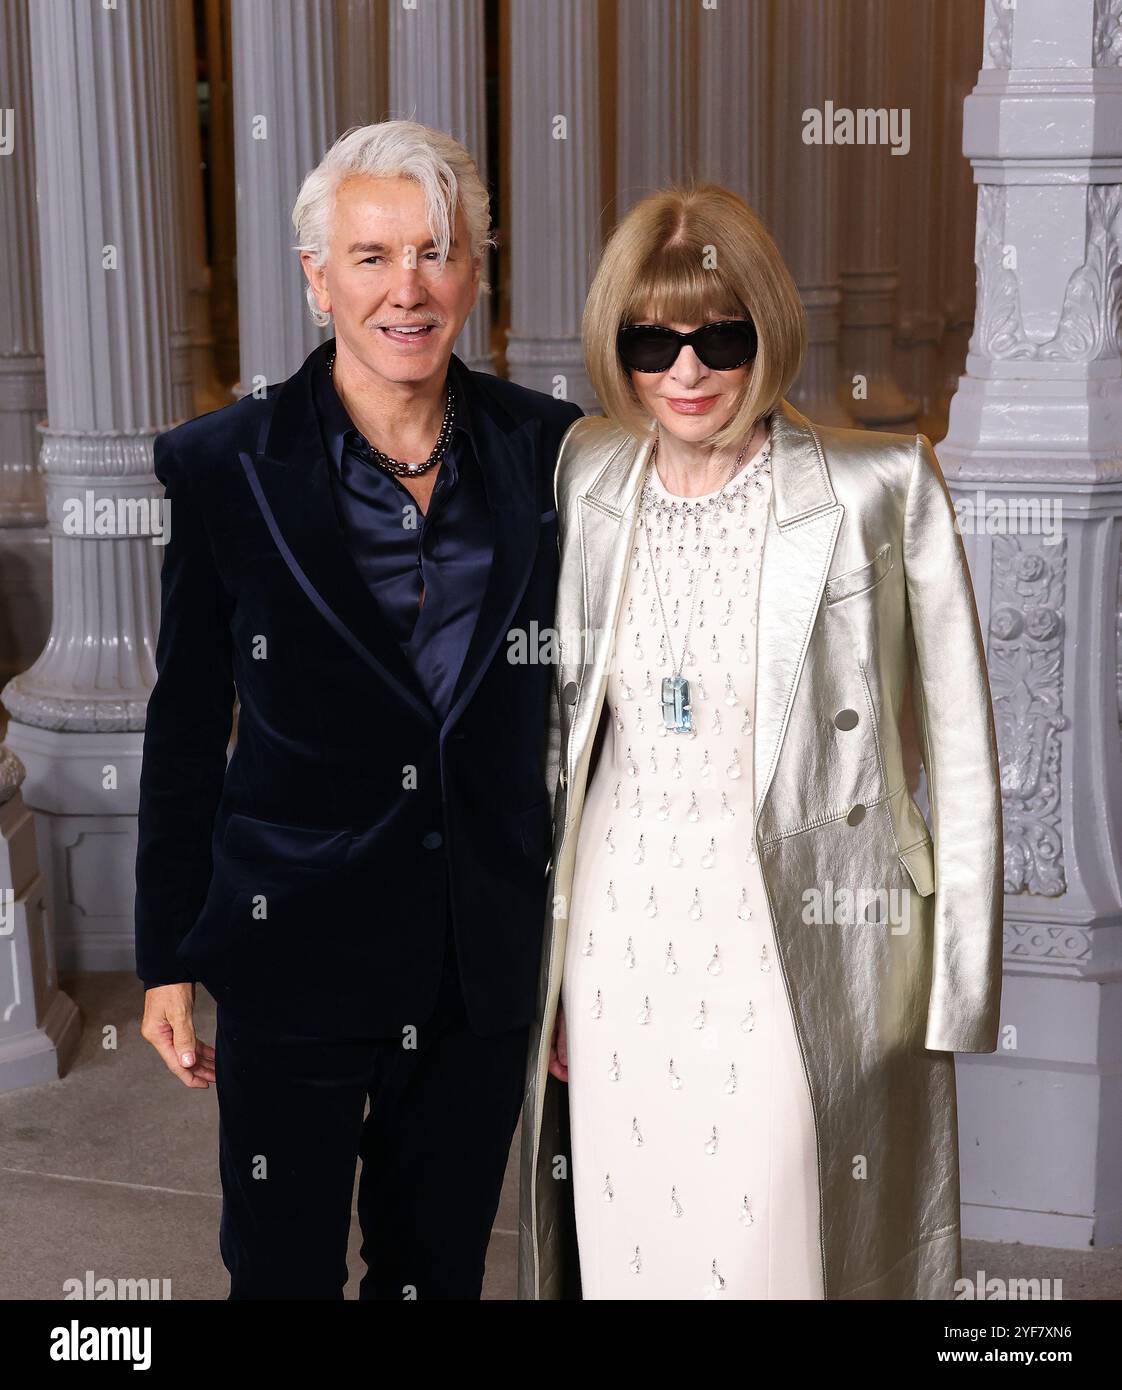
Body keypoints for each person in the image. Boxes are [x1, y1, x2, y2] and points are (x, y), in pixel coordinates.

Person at [519, 183, 1003, 1300]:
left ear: (766, 332)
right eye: (654, 339)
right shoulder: (588, 473)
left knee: (773, 1231)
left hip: (800, 923)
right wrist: (538, 978)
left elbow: (967, 752)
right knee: (632, 1226)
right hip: (620, 917)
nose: (686, 371)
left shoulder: (879, 484)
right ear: (618, 343)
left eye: (719, 336)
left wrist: (959, 986)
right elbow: (561, 731)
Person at [135, 120, 581, 1299]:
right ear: (316, 275)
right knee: (279, 1273)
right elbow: (184, 726)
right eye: (373, 255)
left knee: (435, 1272)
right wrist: (168, 957)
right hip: (295, 948)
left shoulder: (554, 455)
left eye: (437, 252)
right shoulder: (226, 464)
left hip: (478, 954)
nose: (409, 288)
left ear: (476, 273)